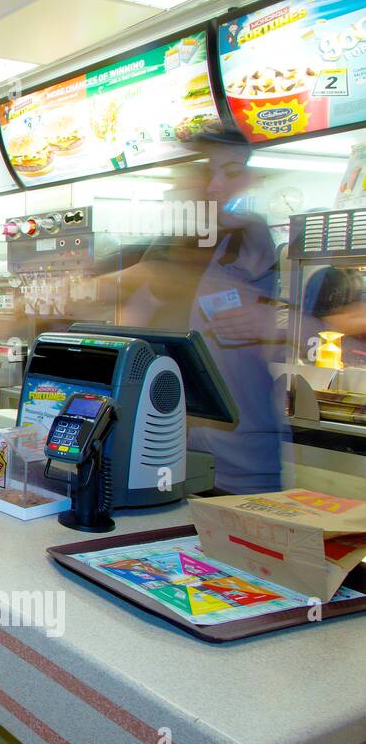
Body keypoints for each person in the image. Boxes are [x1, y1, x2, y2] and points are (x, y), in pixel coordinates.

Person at [116, 130, 288, 493]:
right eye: (202, 172)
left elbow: (302, 324)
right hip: (168, 451)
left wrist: (275, 323)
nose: (213, 186)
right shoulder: (170, 244)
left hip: (240, 461)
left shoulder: (250, 236)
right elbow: (134, 318)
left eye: (230, 172)